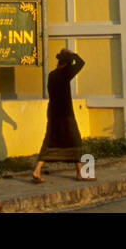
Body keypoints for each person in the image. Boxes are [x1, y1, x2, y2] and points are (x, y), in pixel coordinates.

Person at [31, 48, 87, 182]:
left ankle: (37, 170)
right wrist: (73, 54)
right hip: (65, 113)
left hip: (53, 113)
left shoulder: (52, 74)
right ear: (67, 62)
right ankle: (80, 173)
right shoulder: (66, 73)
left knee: (50, 141)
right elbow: (81, 63)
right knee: (75, 140)